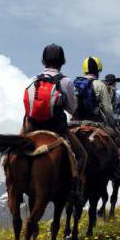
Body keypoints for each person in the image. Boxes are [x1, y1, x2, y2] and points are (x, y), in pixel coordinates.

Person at [23, 44, 87, 199]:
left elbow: (27, 104)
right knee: (82, 155)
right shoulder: (65, 82)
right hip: (56, 128)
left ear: (43, 60)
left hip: (31, 126)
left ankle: (11, 182)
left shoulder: (33, 79)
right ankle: (75, 188)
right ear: (62, 61)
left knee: (11, 151)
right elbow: (72, 109)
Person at [71, 56, 116, 126]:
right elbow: (107, 109)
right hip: (93, 121)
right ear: (97, 70)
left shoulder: (75, 82)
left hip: (75, 120)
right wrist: (112, 124)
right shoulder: (101, 85)